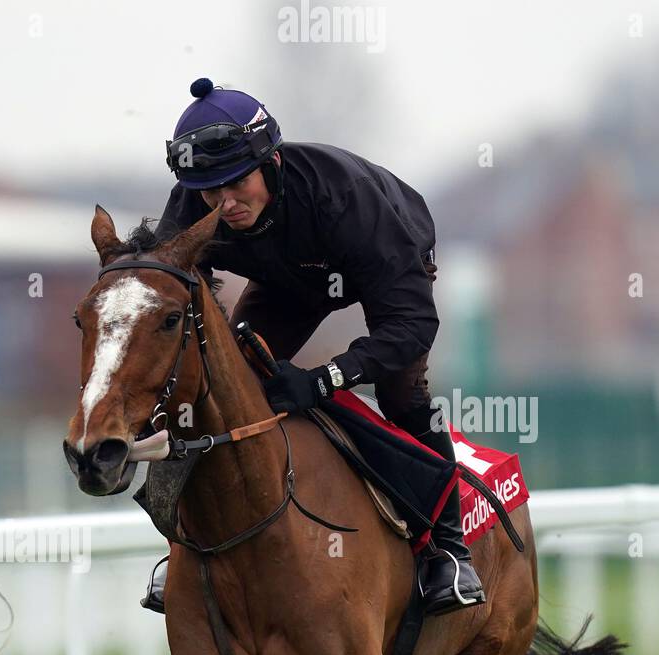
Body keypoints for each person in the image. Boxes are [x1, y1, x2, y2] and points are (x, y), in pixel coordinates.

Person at [142, 77, 483, 617]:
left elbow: (413, 326)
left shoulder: (345, 200)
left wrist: (325, 377)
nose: (225, 204)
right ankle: (185, 546)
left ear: (271, 162)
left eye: (236, 184)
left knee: (402, 396)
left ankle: (448, 547)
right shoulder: (193, 203)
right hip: (288, 278)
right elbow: (170, 288)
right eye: (210, 192)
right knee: (224, 386)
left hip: (383, 259)